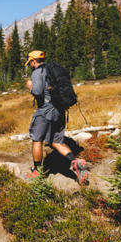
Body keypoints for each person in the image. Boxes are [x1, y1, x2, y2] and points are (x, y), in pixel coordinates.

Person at [25, 50, 90, 184]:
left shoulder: (38, 72)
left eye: (30, 62)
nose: (30, 65)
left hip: (45, 111)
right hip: (59, 111)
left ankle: (37, 172)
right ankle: (75, 162)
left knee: (37, 140)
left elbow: (37, 92)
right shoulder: (52, 70)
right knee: (57, 142)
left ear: (33, 61)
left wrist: (30, 87)